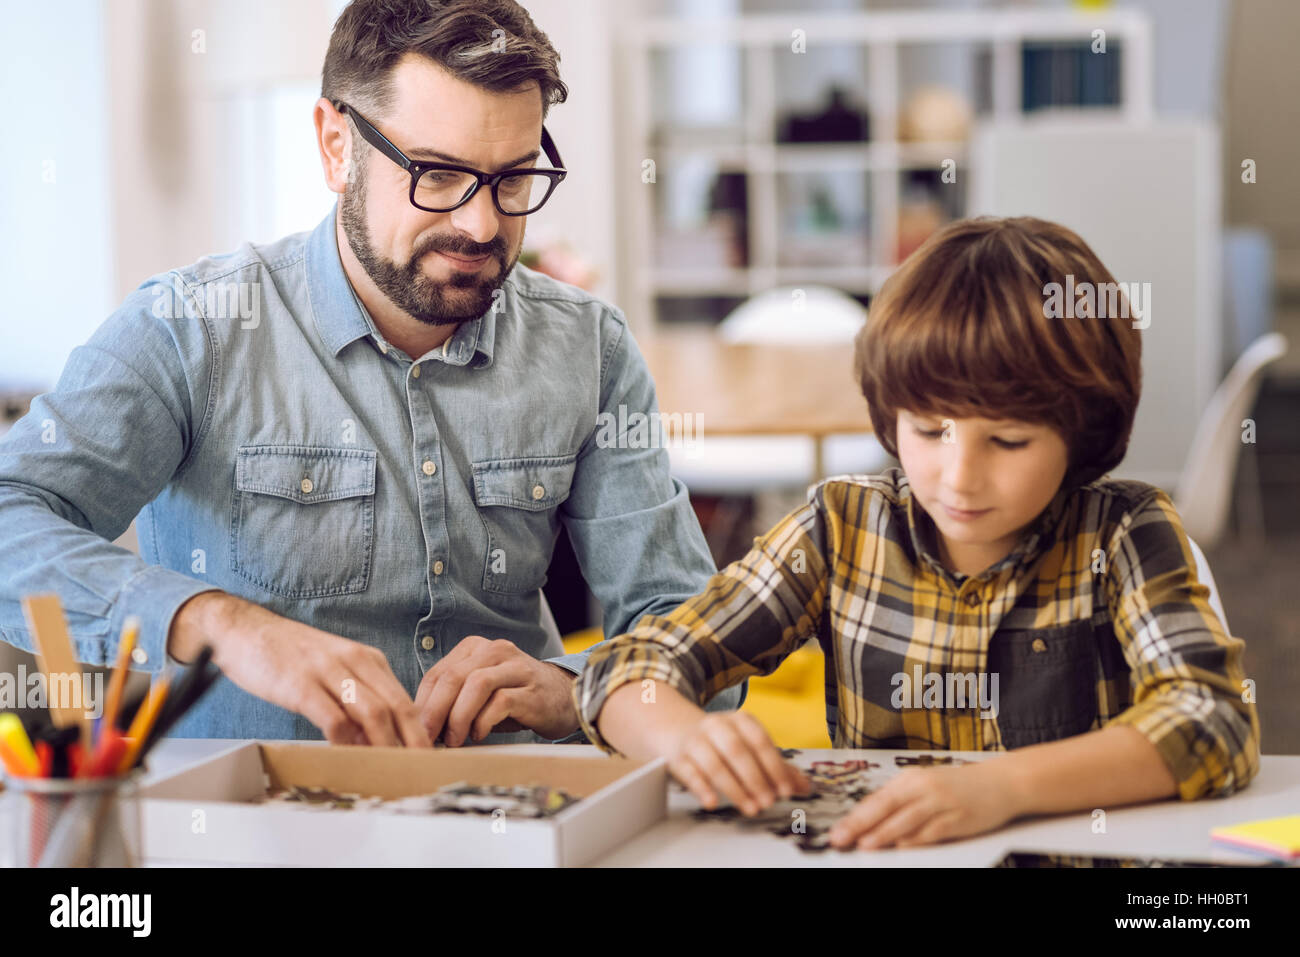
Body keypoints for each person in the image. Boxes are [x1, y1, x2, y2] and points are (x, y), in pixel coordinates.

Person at [0, 0, 742, 746]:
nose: (481, 225)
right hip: (253, 826)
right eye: (440, 175)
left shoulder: (590, 350)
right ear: (335, 146)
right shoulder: (191, 327)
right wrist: (220, 624)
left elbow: (701, 648)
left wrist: (578, 690)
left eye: (513, 180)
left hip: (509, 821)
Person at [573, 216, 1260, 850]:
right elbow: (627, 664)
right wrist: (685, 734)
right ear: (890, 412)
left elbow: (1212, 719)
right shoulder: (839, 526)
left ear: (1084, 431)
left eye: (1010, 441)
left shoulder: (1126, 531)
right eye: (930, 430)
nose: (959, 477)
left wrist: (1003, 786)